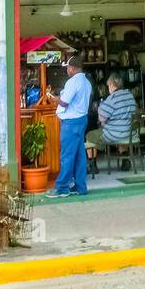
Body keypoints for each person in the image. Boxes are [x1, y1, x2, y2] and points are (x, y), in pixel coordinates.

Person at [48, 56, 91, 198]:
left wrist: (54, 99)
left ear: (72, 68)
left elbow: (65, 103)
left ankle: (62, 188)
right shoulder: (86, 82)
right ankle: (80, 187)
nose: (67, 70)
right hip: (81, 120)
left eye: (67, 67)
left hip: (71, 122)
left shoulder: (73, 82)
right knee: (79, 155)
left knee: (67, 155)